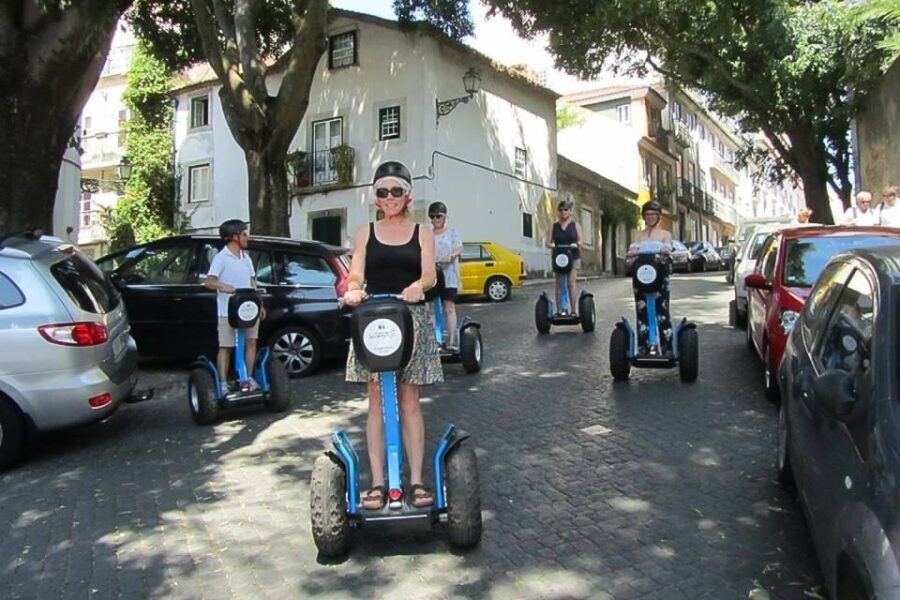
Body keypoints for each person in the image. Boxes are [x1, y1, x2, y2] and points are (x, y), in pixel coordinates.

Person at [343, 161, 442, 510]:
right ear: (376, 197)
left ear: (407, 194)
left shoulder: (423, 232)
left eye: (396, 191)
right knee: (376, 404)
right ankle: (378, 483)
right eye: (383, 192)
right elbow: (356, 274)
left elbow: (429, 275)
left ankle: (415, 480)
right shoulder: (365, 231)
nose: (389, 198)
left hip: (410, 316)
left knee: (409, 401)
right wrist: (354, 289)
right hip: (374, 319)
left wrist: (417, 286)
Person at [204, 219, 264, 395]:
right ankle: (223, 383)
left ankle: (248, 378)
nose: (248, 237)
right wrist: (224, 286)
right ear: (233, 237)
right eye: (244, 234)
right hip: (227, 312)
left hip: (248, 310)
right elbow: (209, 282)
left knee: (251, 342)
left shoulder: (247, 258)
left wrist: (259, 304)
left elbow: (252, 282)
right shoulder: (221, 258)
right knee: (226, 347)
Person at [627, 201, 674, 355]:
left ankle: (666, 348)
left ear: (659, 216)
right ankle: (644, 347)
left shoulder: (665, 234)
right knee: (642, 310)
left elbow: (667, 248)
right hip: (641, 275)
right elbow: (631, 251)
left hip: (659, 275)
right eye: (647, 214)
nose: (650, 217)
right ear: (644, 217)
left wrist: (665, 250)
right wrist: (633, 252)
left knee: (662, 310)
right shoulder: (639, 234)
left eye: (653, 214)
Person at [429, 201, 463, 350]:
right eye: (432, 217)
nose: (436, 219)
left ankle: (452, 341)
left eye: (438, 216)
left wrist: (450, 256)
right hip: (432, 275)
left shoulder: (452, 232)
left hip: (448, 274)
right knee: (431, 308)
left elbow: (459, 247)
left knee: (448, 307)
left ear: (444, 217)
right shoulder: (428, 234)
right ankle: (436, 341)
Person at [546, 198, 584, 314]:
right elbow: (548, 242)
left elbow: (581, 240)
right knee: (558, 283)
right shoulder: (555, 226)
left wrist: (576, 244)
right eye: (561, 210)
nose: (563, 212)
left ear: (570, 211)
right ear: (559, 212)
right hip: (559, 257)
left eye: (566, 210)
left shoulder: (575, 225)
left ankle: (573, 311)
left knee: (571, 283)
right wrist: (552, 246)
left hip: (573, 256)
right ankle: (559, 311)